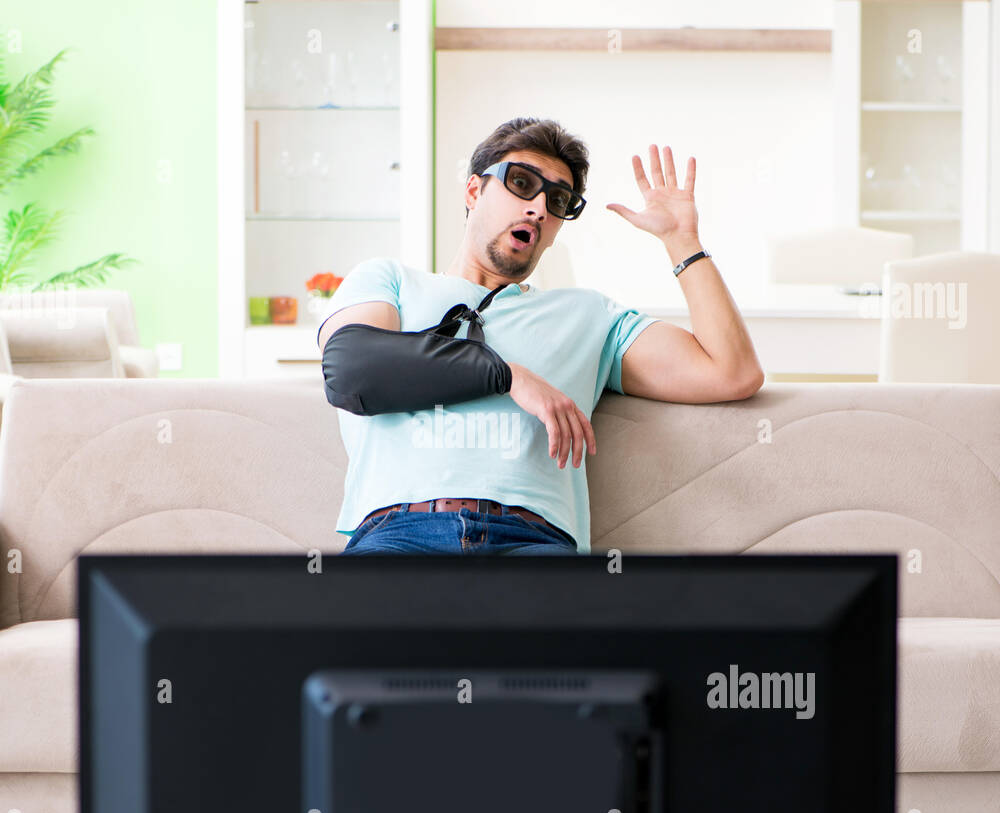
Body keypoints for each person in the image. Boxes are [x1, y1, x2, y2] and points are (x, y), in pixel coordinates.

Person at [317, 116, 763, 556]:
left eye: (558, 200)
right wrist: (507, 376)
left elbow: (731, 372)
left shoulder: (588, 315)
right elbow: (350, 368)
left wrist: (682, 240)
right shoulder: (390, 281)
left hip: (532, 545)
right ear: (474, 191)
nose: (540, 208)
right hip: (398, 537)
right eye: (522, 183)